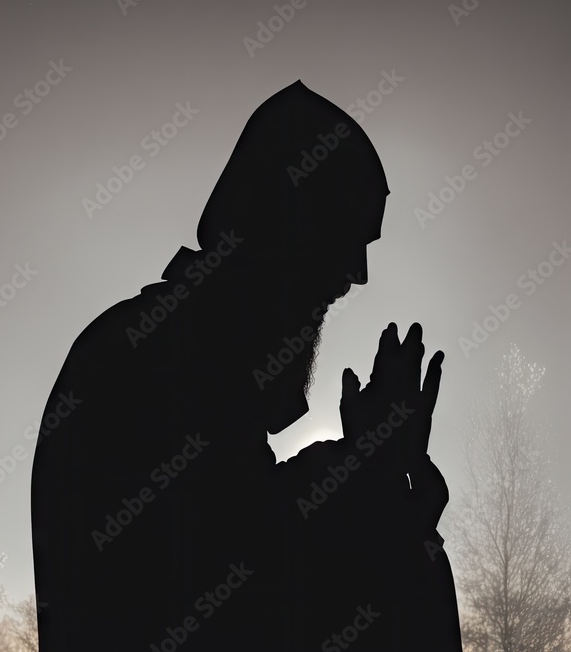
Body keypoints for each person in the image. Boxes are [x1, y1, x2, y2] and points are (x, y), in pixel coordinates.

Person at [30, 79, 462, 650]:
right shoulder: (149, 362)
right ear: (287, 221)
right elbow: (236, 584)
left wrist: (369, 468)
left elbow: (254, 533)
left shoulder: (181, 360)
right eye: (348, 237)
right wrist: (371, 477)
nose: (357, 275)